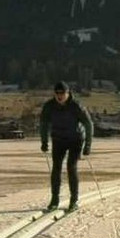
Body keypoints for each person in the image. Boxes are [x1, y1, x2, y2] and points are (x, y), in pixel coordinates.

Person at [40, 81, 93, 212]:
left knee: (71, 167)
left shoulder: (76, 106)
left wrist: (87, 145)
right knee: (56, 168)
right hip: (58, 139)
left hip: (76, 139)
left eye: (62, 93)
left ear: (68, 93)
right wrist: (44, 142)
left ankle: (74, 200)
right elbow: (43, 124)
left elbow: (88, 124)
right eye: (57, 93)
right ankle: (54, 200)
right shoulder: (49, 106)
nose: (59, 96)